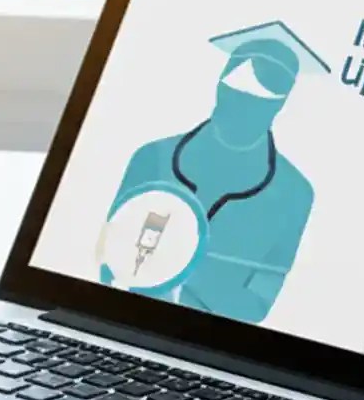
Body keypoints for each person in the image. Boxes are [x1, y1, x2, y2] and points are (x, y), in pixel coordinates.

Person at [100, 21, 325, 324]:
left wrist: (184, 274)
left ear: (278, 106)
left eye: (256, 95)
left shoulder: (294, 193)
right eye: (232, 88)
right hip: (122, 318)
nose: (238, 103)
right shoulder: (152, 157)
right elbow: (108, 261)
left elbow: (258, 303)